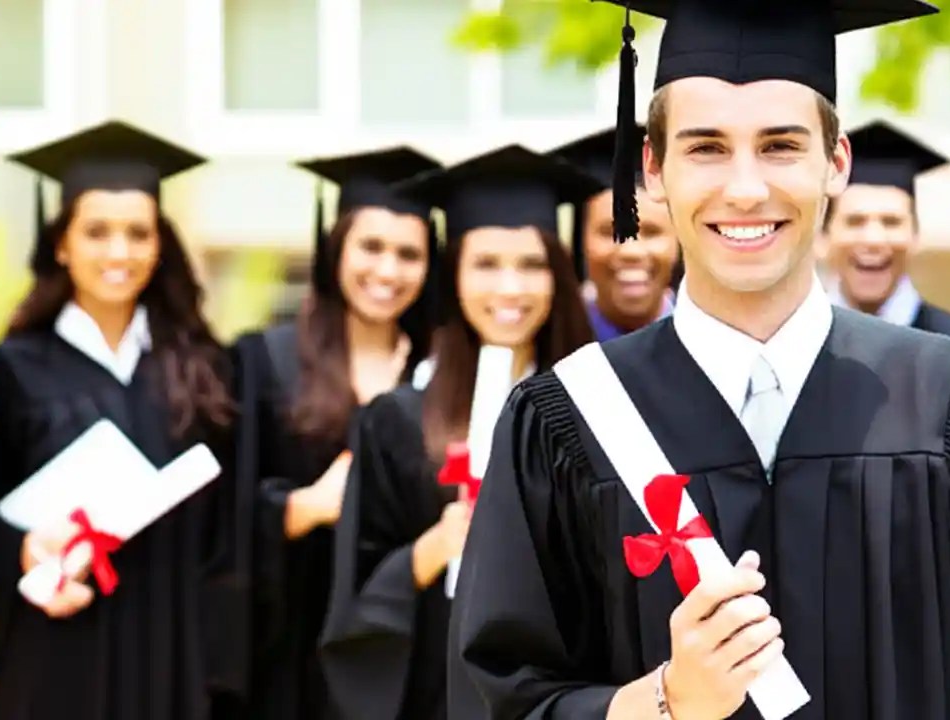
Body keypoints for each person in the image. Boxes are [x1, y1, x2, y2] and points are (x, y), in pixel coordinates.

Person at [447, 1, 950, 718]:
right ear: (652, 168)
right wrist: (663, 702)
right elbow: (500, 700)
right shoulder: (567, 422)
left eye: (780, 146)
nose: (744, 189)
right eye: (705, 147)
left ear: (836, 163)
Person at [319, 144, 597, 720]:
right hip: (437, 691)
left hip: (563, 692)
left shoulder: (597, 409)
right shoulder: (398, 421)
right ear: (455, 276)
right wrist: (433, 548)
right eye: (487, 264)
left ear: (559, 276)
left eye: (531, 265)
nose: (510, 288)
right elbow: (354, 601)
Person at [0, 120, 235, 720]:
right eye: (97, 232)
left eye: (137, 233)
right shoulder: (12, 370)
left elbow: (227, 532)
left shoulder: (204, 370)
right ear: (62, 245)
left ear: (159, 246)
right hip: (53, 651)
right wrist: (21, 550)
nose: (119, 252)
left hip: (170, 654)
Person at [230, 146, 441, 719]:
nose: (388, 271)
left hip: (403, 646)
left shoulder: (440, 371)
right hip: (293, 644)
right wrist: (304, 507)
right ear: (336, 247)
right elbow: (221, 520)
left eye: (408, 254)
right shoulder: (266, 362)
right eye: (370, 247)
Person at [817, 119, 950, 350]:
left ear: (916, 236)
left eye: (891, 222)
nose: (874, 239)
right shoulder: (796, 342)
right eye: (855, 222)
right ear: (822, 238)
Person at [549, 126, 680, 340]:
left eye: (652, 232)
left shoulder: (715, 347)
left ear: (678, 240)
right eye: (610, 232)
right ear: (581, 240)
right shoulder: (551, 350)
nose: (631, 251)